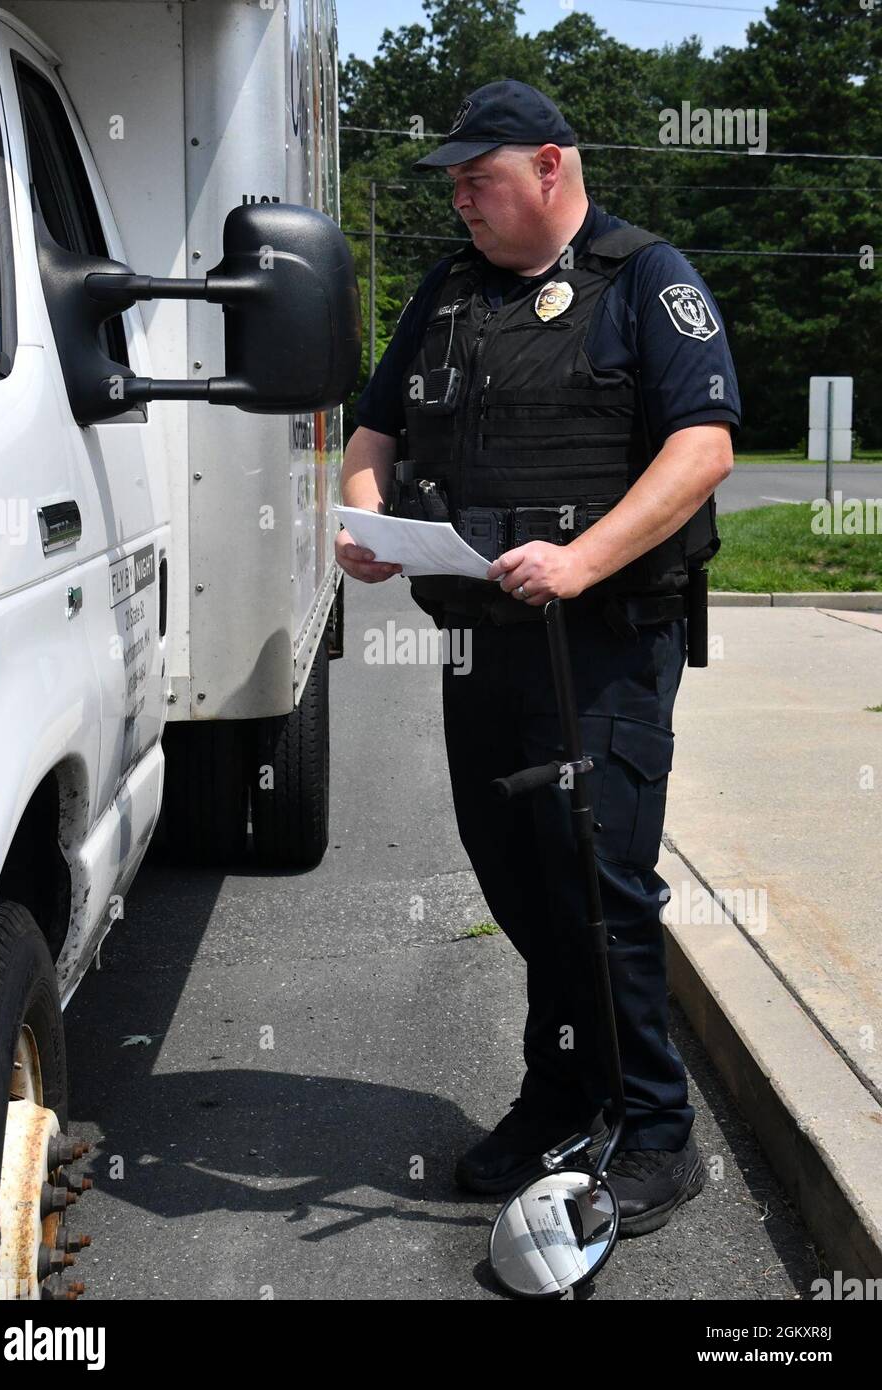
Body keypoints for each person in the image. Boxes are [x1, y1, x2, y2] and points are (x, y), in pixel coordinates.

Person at [335, 79, 740, 1236]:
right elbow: (376, 434)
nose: (460, 200)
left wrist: (581, 559)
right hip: (482, 646)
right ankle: (561, 1092)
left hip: (603, 647)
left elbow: (702, 447)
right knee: (516, 875)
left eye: (479, 178)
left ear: (551, 167)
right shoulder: (451, 292)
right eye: (454, 183)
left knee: (598, 882)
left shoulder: (645, 279)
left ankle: (657, 1128)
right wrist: (363, 518)